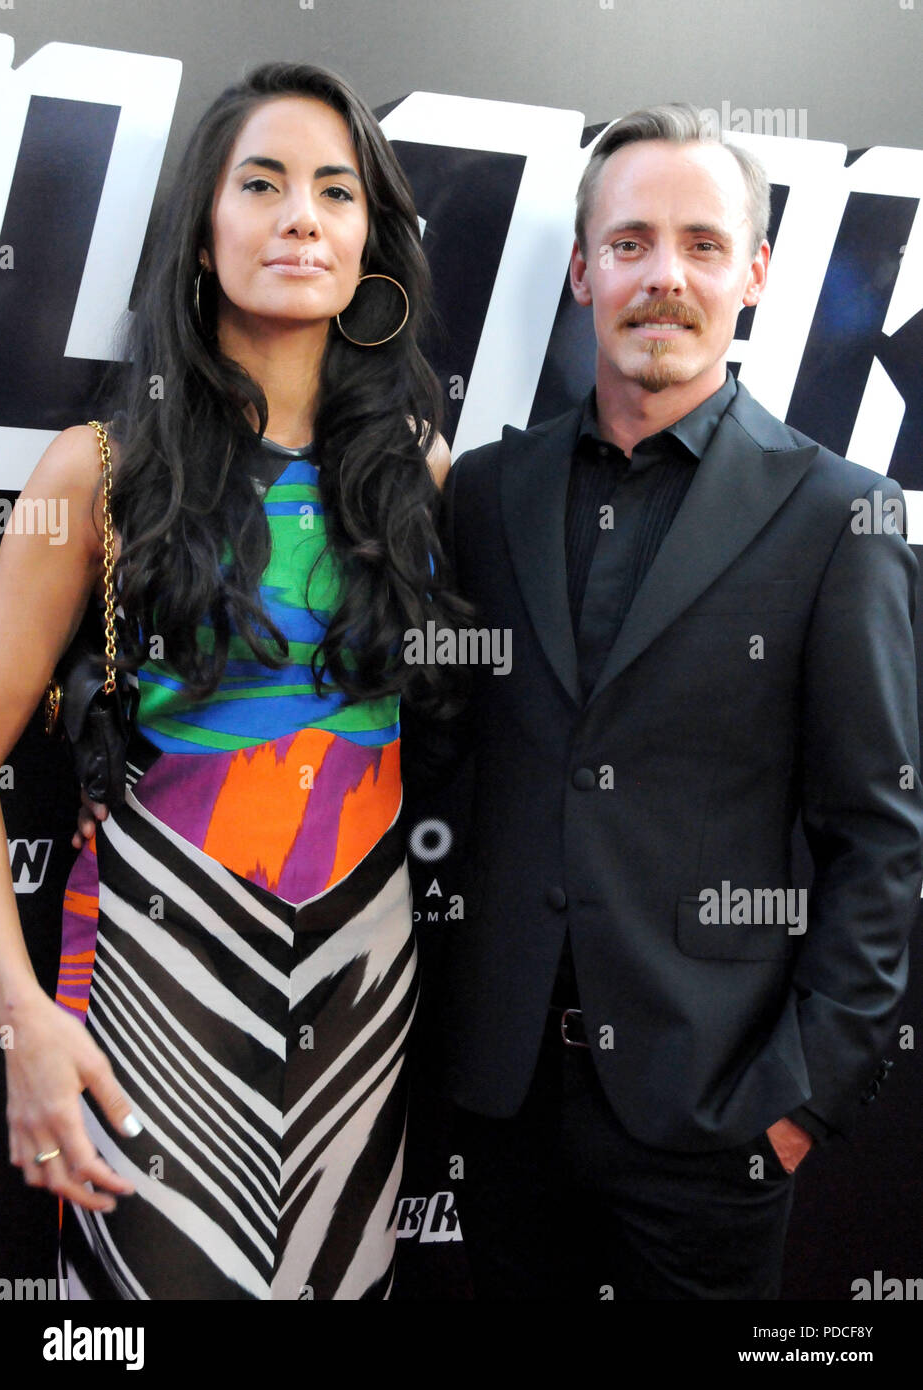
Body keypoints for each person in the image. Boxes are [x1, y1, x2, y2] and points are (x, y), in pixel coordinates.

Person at [0, 61, 468, 1301]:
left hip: (361, 1011)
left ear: (370, 239)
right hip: (153, 1004)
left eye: (333, 190)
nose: (301, 214)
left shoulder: (417, 478)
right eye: (260, 184)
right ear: (203, 233)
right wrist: (24, 1027)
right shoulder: (93, 473)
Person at [431, 104, 923, 1299]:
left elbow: (882, 837)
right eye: (633, 241)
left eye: (703, 244)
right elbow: (435, 759)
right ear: (582, 268)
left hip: (715, 1124)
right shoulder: (484, 494)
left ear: (753, 275)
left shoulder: (838, 518)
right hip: (501, 1109)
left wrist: (800, 1102)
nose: (664, 276)